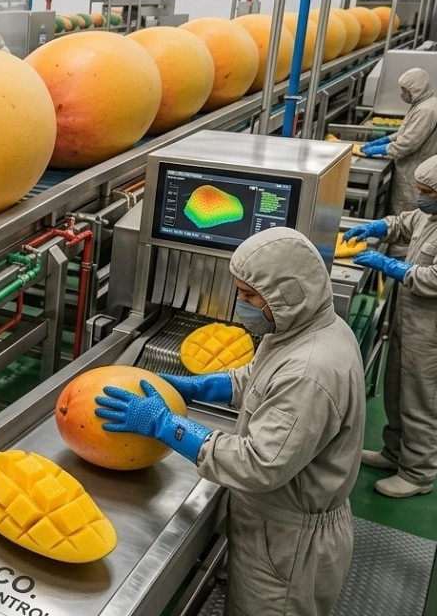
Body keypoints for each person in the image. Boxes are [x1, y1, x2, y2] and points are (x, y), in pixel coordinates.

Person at [95, 227, 364, 616]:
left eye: (250, 296)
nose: (242, 303)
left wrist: (165, 424)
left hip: (288, 546)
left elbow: (258, 464)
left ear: (288, 295)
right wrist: (200, 387)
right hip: (269, 522)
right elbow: (259, 377)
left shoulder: (312, 371)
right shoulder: (304, 329)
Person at [344, 153, 437, 498]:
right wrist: (377, 227)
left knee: (419, 400)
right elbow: (406, 221)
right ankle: (394, 452)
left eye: (427, 191)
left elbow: (433, 278)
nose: (420, 196)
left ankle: (418, 473)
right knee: (397, 387)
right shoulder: (431, 215)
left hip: (430, 331)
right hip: (409, 318)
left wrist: (390, 266)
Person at [360, 68, 437, 217]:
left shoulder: (426, 110)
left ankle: (403, 240)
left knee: (406, 210)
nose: (403, 94)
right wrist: (388, 139)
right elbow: (409, 130)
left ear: (416, 89)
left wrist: (382, 149)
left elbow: (407, 144)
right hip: (412, 166)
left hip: (413, 170)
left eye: (405, 90)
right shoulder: (425, 103)